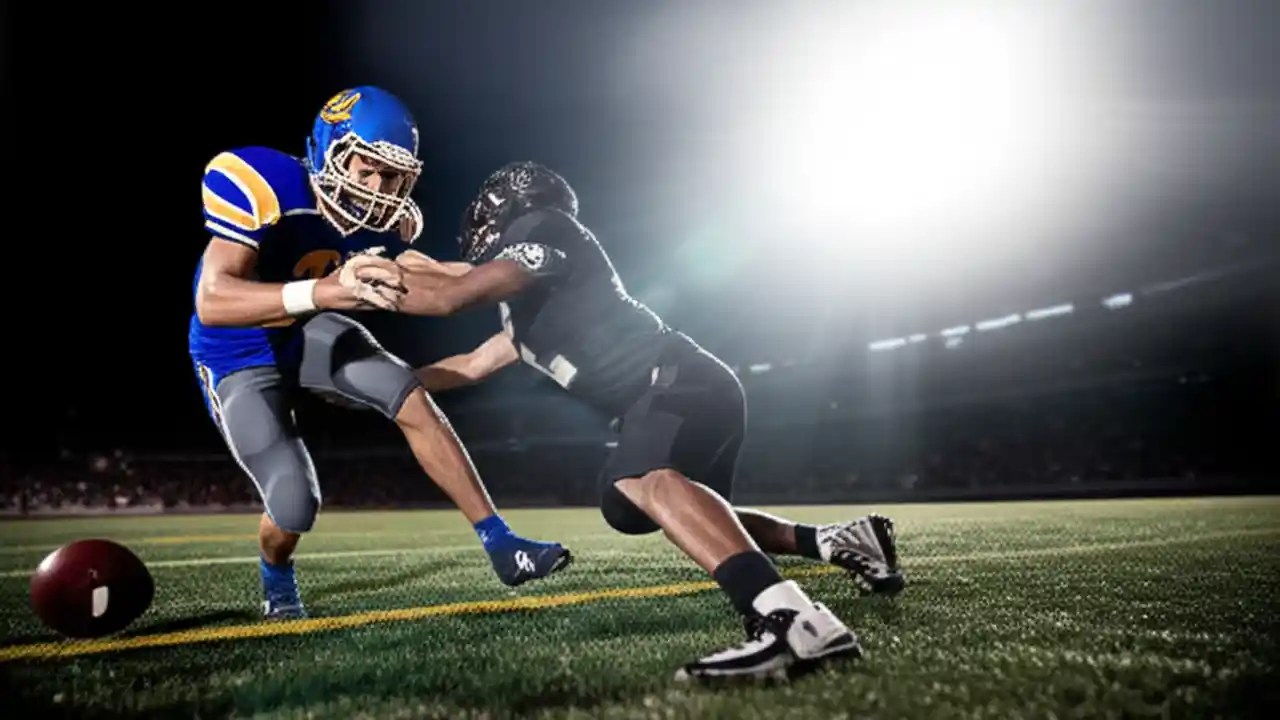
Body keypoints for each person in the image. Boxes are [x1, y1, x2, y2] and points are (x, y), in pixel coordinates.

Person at [376, 162, 904, 681]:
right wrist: (381, 385)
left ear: (508, 207)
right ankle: (838, 540)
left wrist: (353, 282)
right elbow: (467, 365)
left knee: (637, 480)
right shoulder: (528, 311)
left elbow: (449, 293)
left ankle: (792, 621)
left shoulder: (543, 229)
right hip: (685, 388)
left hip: (676, 380)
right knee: (650, 507)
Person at [187, 92, 571, 620]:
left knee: (404, 389)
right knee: (295, 503)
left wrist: (525, 277)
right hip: (237, 350)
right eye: (368, 170)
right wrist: (323, 293)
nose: (376, 191)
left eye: (392, 179)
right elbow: (212, 301)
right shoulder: (265, 181)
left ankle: (503, 544)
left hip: (306, 334)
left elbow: (430, 274)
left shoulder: (385, 222)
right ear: (331, 151)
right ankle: (276, 579)